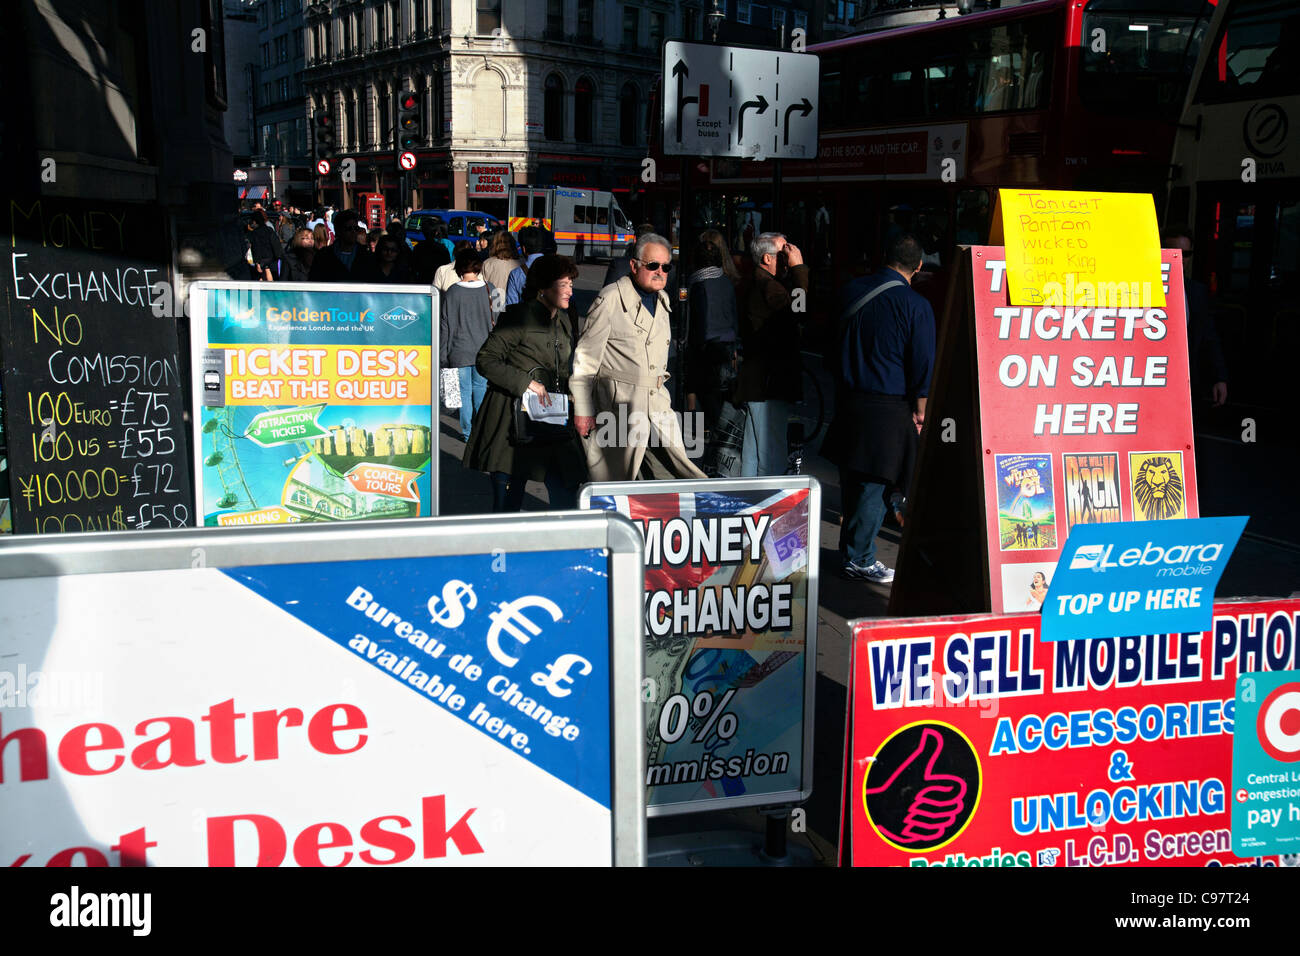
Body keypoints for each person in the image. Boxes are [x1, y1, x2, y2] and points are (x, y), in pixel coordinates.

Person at [823, 234, 935, 584]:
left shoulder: (850, 290)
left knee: (852, 481)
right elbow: (923, 365)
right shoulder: (915, 305)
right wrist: (921, 411)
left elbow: (829, 343)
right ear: (918, 267)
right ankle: (860, 558)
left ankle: (851, 551)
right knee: (876, 484)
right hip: (887, 408)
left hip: (850, 400)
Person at [572, 233, 706, 481]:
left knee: (672, 480)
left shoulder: (663, 300)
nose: (660, 272)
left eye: (666, 267)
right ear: (634, 266)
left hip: (657, 407)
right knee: (612, 486)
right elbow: (585, 360)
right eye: (652, 265)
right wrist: (582, 409)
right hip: (619, 408)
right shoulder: (610, 299)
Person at [464, 255, 587, 512]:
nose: (570, 291)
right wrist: (526, 383)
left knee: (567, 486)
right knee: (508, 502)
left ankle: (562, 548)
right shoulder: (519, 315)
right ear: (542, 287)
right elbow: (486, 360)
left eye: (571, 285)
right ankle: (503, 550)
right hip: (513, 419)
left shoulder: (564, 319)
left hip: (553, 414)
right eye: (563, 284)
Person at [733, 232, 810, 476]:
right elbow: (799, 311)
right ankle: (771, 505)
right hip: (770, 381)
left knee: (753, 450)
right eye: (782, 253)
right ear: (767, 258)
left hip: (757, 379)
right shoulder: (769, 287)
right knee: (771, 452)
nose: (787, 258)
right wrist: (799, 269)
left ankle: (746, 501)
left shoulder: (756, 281)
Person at [1164, 227, 1228, 407]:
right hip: (1153, 382)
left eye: (1186, 254)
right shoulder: (1142, 291)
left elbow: (1209, 336)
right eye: (1173, 253)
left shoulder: (1196, 292)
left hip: (1188, 385)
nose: (1180, 259)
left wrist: (1219, 377)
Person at [685, 235, 739, 434]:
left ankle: (701, 428)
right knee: (721, 390)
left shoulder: (696, 283)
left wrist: (692, 346)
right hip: (727, 343)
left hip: (705, 345)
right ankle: (719, 428)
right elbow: (733, 313)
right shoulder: (726, 281)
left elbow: (696, 320)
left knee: (701, 387)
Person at [440, 251, 496, 442]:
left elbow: (445, 325)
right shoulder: (492, 289)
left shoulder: (452, 292)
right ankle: (482, 431)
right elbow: (499, 321)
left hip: (458, 350)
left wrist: (443, 354)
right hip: (485, 351)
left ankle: (467, 433)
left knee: (463, 393)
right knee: (481, 390)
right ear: (478, 267)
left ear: (459, 268)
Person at [309, 209, 374, 281]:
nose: (353, 232)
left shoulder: (366, 255)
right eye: (348, 229)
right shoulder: (323, 256)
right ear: (339, 231)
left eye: (356, 228)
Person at [480, 230, 523, 308]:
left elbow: (482, 289)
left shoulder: (487, 264)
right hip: (515, 309)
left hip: (494, 307)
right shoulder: (521, 264)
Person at [505, 226, 546, 305]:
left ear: (523, 248)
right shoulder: (556, 266)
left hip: (526, 315)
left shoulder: (516, 274)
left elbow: (511, 306)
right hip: (549, 316)